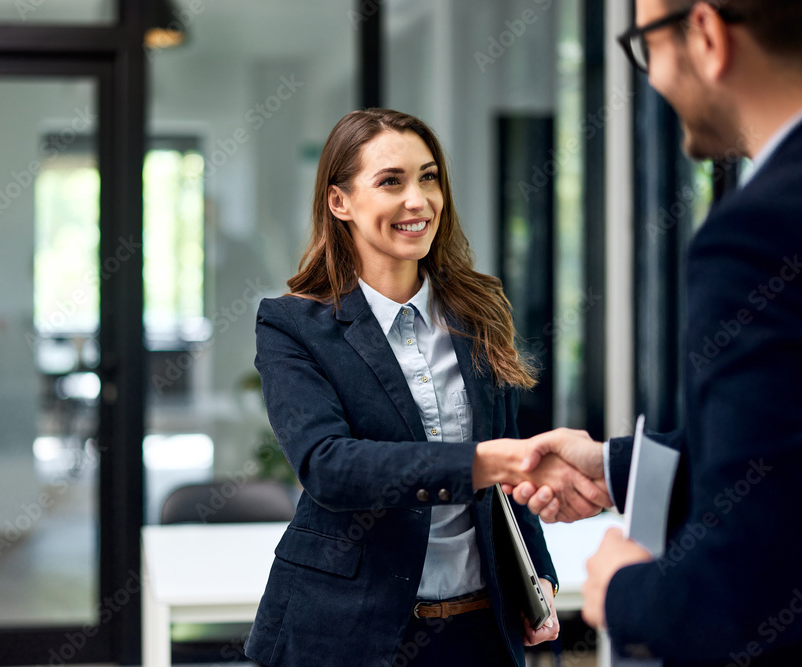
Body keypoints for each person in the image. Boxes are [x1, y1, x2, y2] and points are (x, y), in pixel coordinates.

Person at [243, 108, 610, 667]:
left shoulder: (479, 308)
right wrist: (483, 462)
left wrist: (538, 580)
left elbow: (512, 477)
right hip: (347, 630)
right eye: (391, 181)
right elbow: (328, 466)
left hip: (479, 627)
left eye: (429, 177)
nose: (418, 200)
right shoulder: (292, 325)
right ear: (339, 202)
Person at [507, 0, 802, 664]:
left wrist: (623, 588)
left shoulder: (753, 239)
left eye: (646, 47)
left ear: (705, 35)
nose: (652, 79)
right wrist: (618, 468)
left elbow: (741, 596)